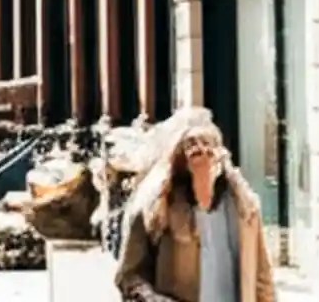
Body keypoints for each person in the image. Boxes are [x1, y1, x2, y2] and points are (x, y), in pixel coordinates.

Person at [114, 108, 276, 302]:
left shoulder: (245, 210)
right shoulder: (155, 210)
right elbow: (129, 276)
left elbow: (263, 279)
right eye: (194, 151)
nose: (203, 157)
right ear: (180, 161)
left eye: (209, 149)